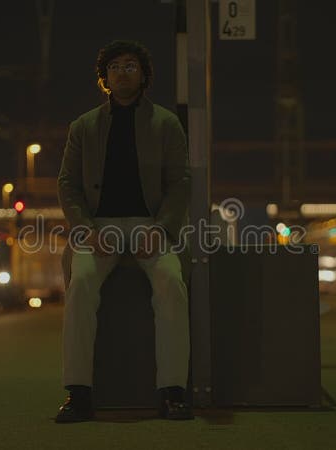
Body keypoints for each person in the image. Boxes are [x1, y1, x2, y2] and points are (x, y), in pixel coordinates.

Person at [55, 39, 192, 422]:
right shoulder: (83, 127)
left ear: (144, 75)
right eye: (114, 67)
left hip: (150, 224)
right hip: (99, 227)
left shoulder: (166, 123)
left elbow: (180, 182)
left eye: (131, 65)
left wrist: (162, 228)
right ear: (104, 79)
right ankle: (78, 394)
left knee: (170, 283)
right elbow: (68, 184)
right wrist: (85, 229)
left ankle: (172, 392)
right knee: (80, 284)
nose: (122, 72)